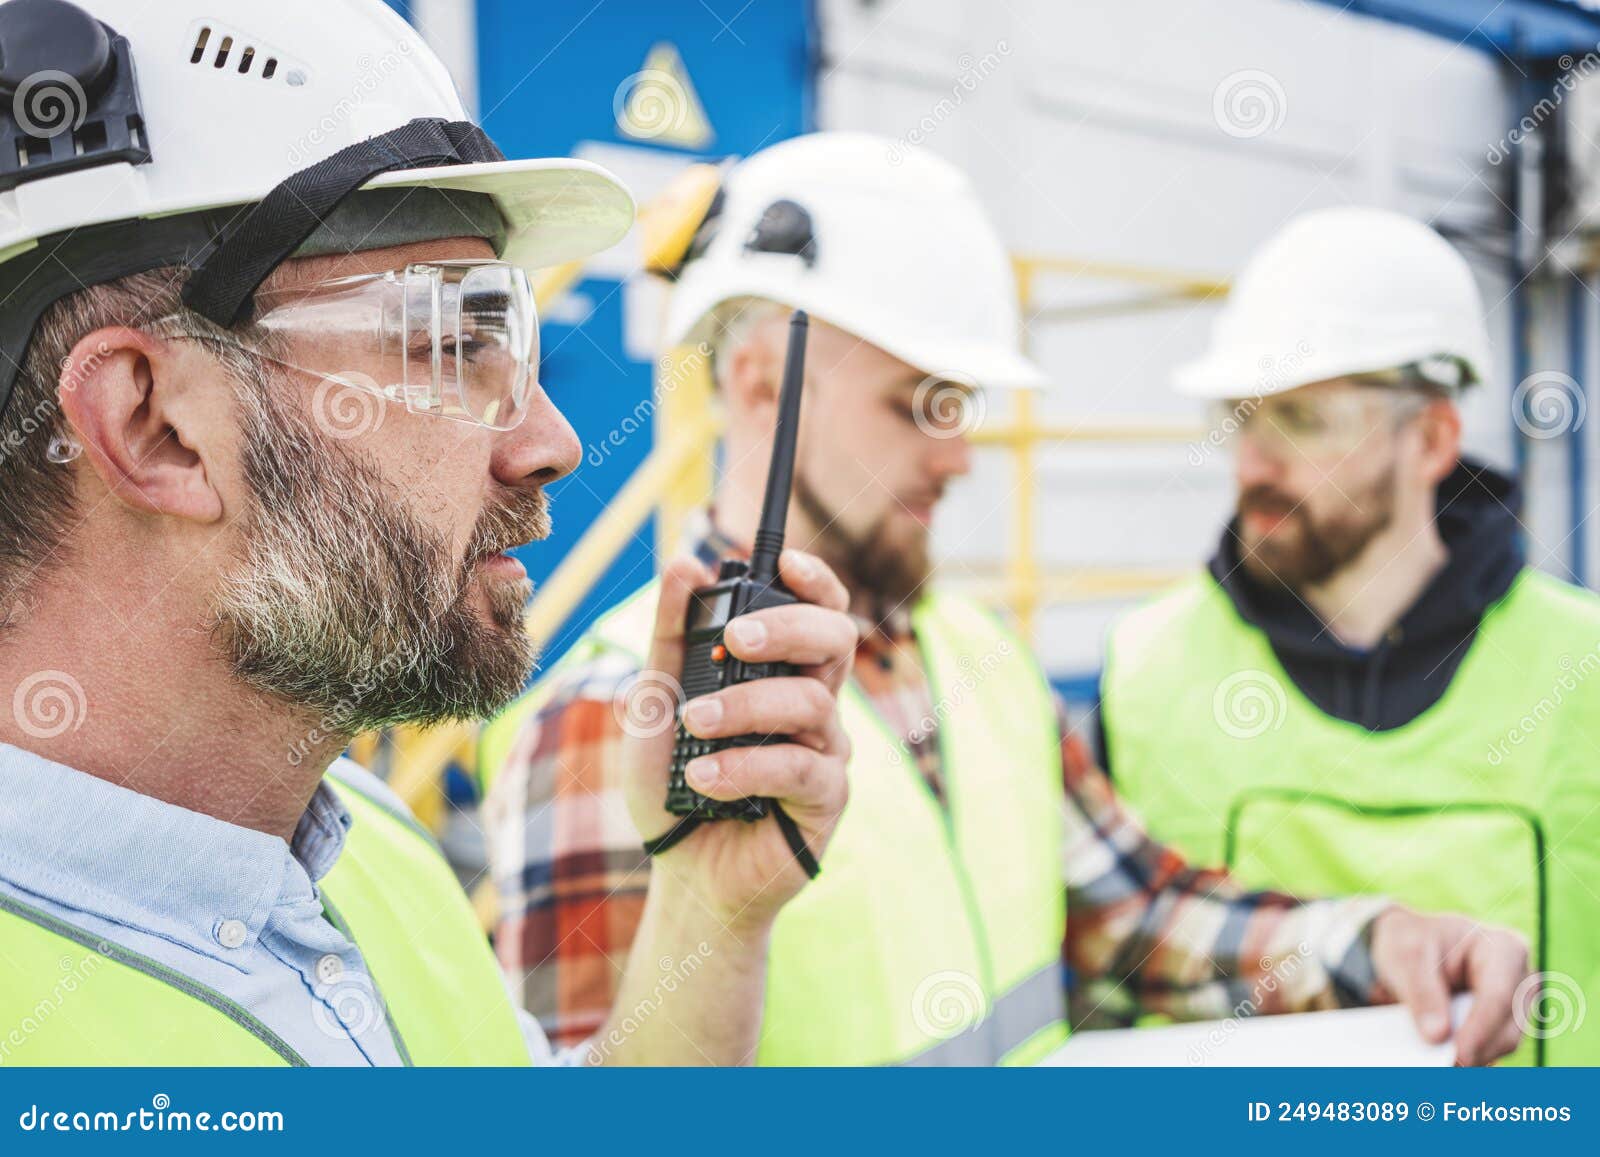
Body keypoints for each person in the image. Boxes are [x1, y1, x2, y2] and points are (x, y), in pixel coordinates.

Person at [480, 134, 1532, 1068]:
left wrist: (1376, 940)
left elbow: (1134, 919)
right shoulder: (614, 716)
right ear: (760, 384)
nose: (960, 458)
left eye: (963, 408)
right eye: (917, 406)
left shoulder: (977, 654)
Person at [0, 0, 856, 1067]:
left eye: (514, 338)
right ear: (154, 425)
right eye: (453, 341)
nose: (551, 443)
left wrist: (708, 908)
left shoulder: (374, 851)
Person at [1095, 206, 1600, 1066]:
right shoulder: (1145, 668)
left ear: (1432, 439)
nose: (1253, 463)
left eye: (1303, 420)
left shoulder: (1580, 669)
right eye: (1243, 418)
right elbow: (1102, 978)